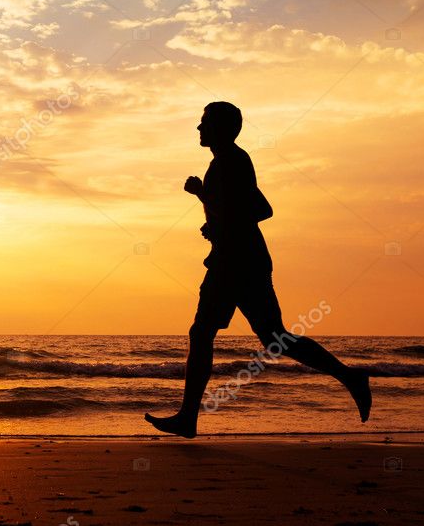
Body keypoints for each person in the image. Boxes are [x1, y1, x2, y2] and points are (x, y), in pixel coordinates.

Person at [145, 101, 371, 439]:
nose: (198, 128)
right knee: (268, 336)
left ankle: (188, 417)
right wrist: (215, 223)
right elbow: (245, 209)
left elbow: (260, 210)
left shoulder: (233, 162)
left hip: (237, 262)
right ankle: (349, 377)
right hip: (236, 258)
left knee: (209, 332)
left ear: (222, 128)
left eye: (204, 122)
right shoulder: (227, 162)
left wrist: (203, 195)